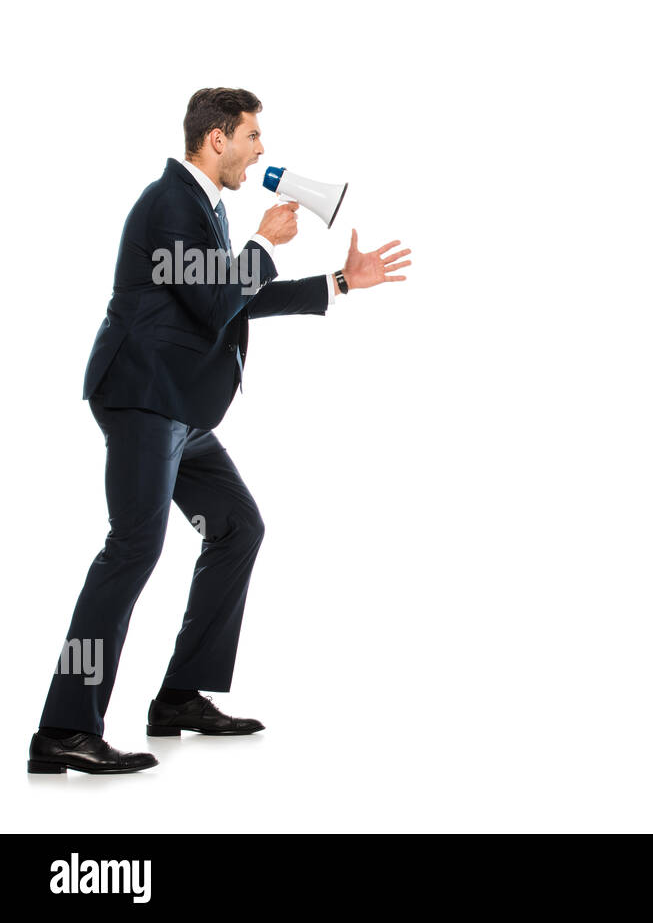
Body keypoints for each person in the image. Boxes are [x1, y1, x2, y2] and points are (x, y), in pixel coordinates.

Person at [28, 88, 412, 775]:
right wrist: (264, 238)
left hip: (179, 412)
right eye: (253, 136)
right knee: (132, 550)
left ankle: (178, 696)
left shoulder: (203, 209)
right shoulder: (169, 202)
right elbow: (214, 298)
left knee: (236, 525)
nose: (261, 150)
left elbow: (237, 295)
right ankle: (63, 725)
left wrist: (340, 284)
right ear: (216, 139)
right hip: (144, 402)